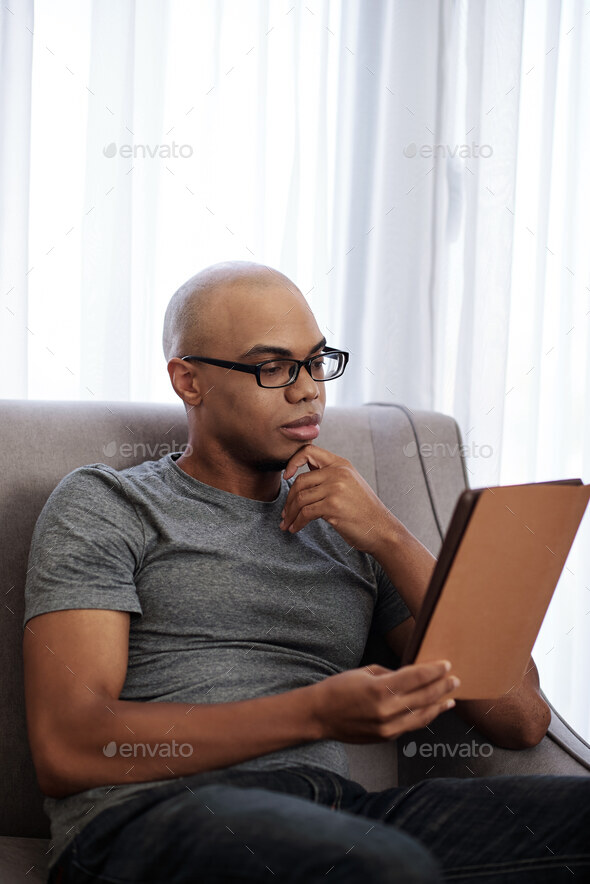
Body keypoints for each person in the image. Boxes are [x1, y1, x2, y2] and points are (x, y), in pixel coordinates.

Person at [23, 260, 589, 883]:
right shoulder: (109, 505)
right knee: (380, 866)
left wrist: (389, 537)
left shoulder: (352, 527)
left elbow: (520, 718)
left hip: (340, 813)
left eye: (317, 362)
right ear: (189, 382)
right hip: (154, 816)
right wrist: (315, 713)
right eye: (273, 367)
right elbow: (68, 745)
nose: (308, 390)